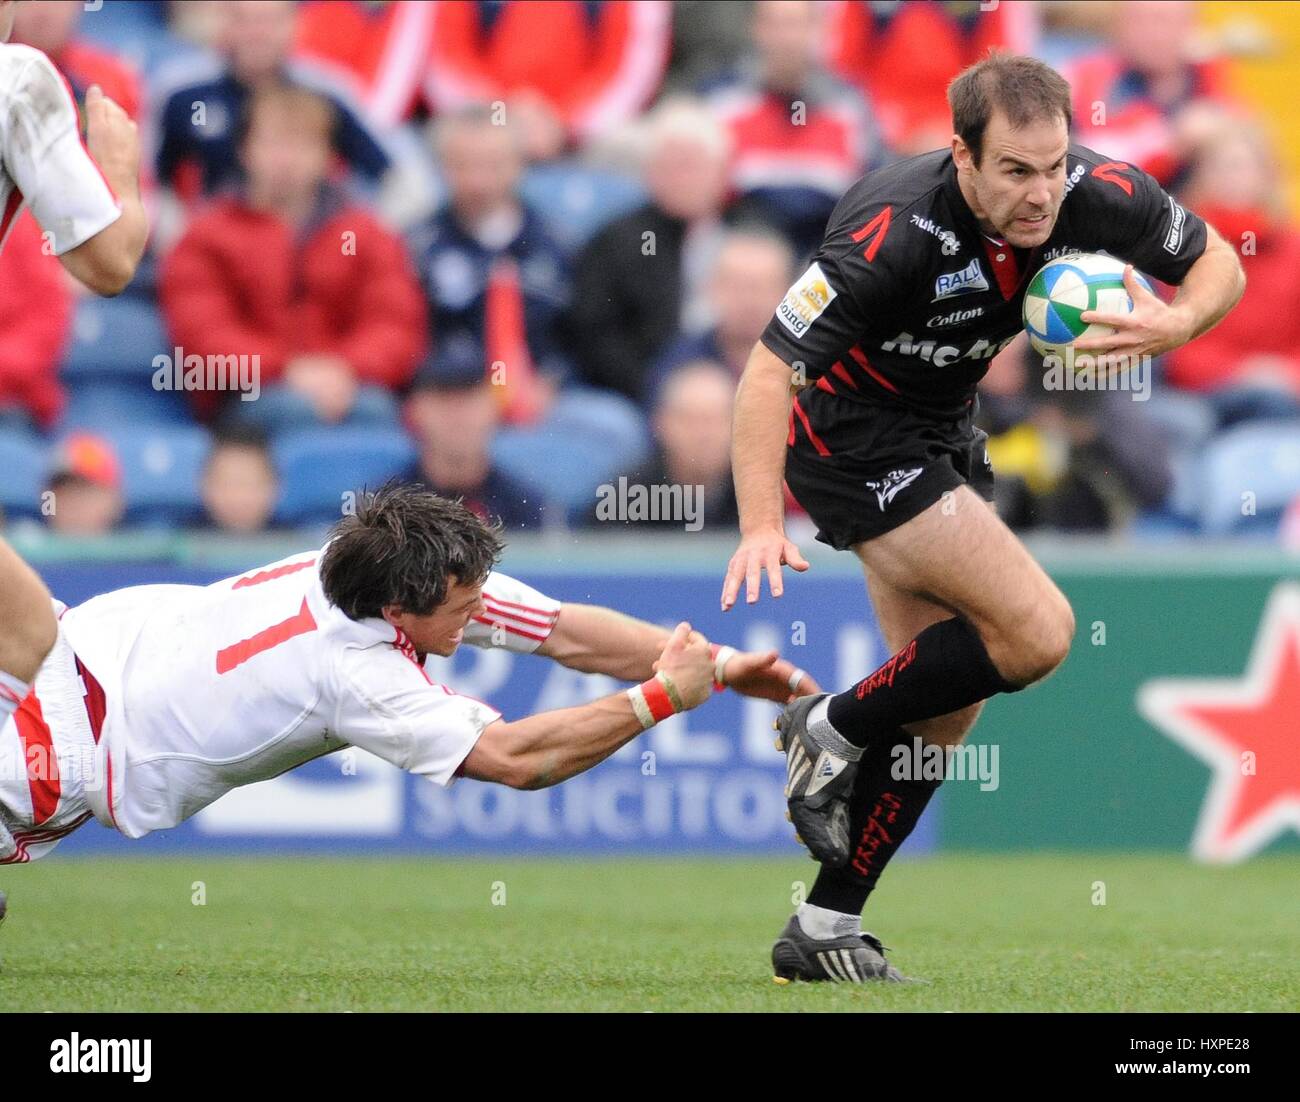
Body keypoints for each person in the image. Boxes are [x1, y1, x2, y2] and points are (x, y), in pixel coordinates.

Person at [721, 54, 1244, 983]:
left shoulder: (1094, 189)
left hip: (945, 434)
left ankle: (824, 925)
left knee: (947, 707)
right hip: (850, 441)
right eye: (1015, 171)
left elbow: (1217, 264)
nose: (1043, 193)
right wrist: (762, 524)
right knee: (1038, 632)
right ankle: (829, 723)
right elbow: (769, 369)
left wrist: (1175, 325)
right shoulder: (892, 232)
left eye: (1053, 166)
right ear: (962, 156)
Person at [0, 484, 818, 890]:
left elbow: (567, 632)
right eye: (463, 611)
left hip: (53, 644)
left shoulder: (370, 565)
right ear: (399, 608)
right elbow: (514, 760)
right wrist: (665, 697)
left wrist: (713, 662)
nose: (476, 622)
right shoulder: (356, 672)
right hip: (64, 751)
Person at [0, 0, 148, 926]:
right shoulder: (19, 80)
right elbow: (109, 263)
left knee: (22, 633)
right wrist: (121, 169)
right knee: (26, 644)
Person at [160, 84, 425, 429]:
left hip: (351, 389)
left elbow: (395, 325)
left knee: (373, 413)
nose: (286, 160)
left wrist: (344, 369)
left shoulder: (368, 233)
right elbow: (204, 338)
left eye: (302, 145)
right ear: (245, 150)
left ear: (329, 156)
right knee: (301, 411)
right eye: (273, 144)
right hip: (248, 398)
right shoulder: (206, 235)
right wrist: (287, 370)